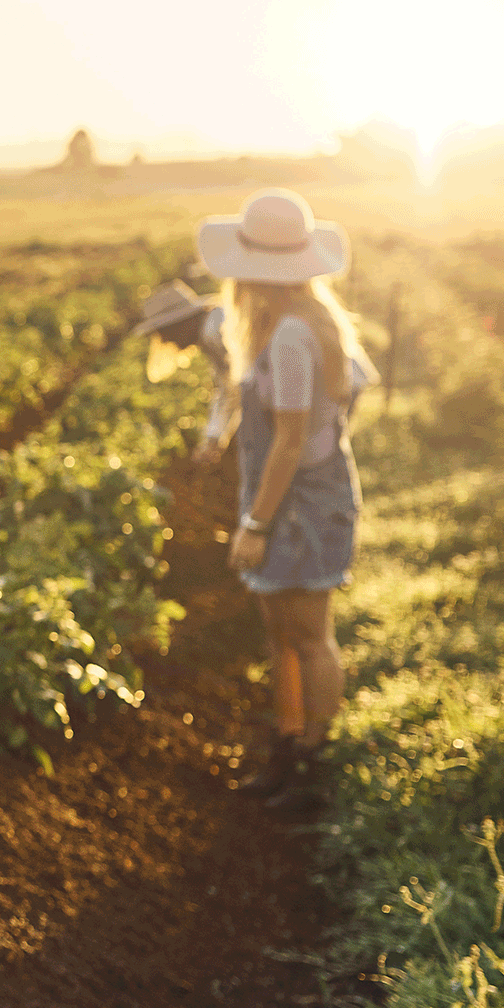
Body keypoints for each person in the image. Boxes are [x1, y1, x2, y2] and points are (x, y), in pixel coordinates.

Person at [194, 189, 373, 805]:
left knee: (309, 633)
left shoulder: (295, 334)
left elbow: (291, 441)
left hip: (302, 506)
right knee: (281, 635)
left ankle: (314, 763)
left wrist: (255, 523)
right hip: (293, 500)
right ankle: (289, 745)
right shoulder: (293, 321)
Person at [128, 278, 233, 467]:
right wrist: (214, 438)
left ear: (180, 322)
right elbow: (227, 387)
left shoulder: (215, 333)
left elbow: (233, 388)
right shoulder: (213, 327)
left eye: (164, 332)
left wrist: (214, 438)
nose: (166, 340)